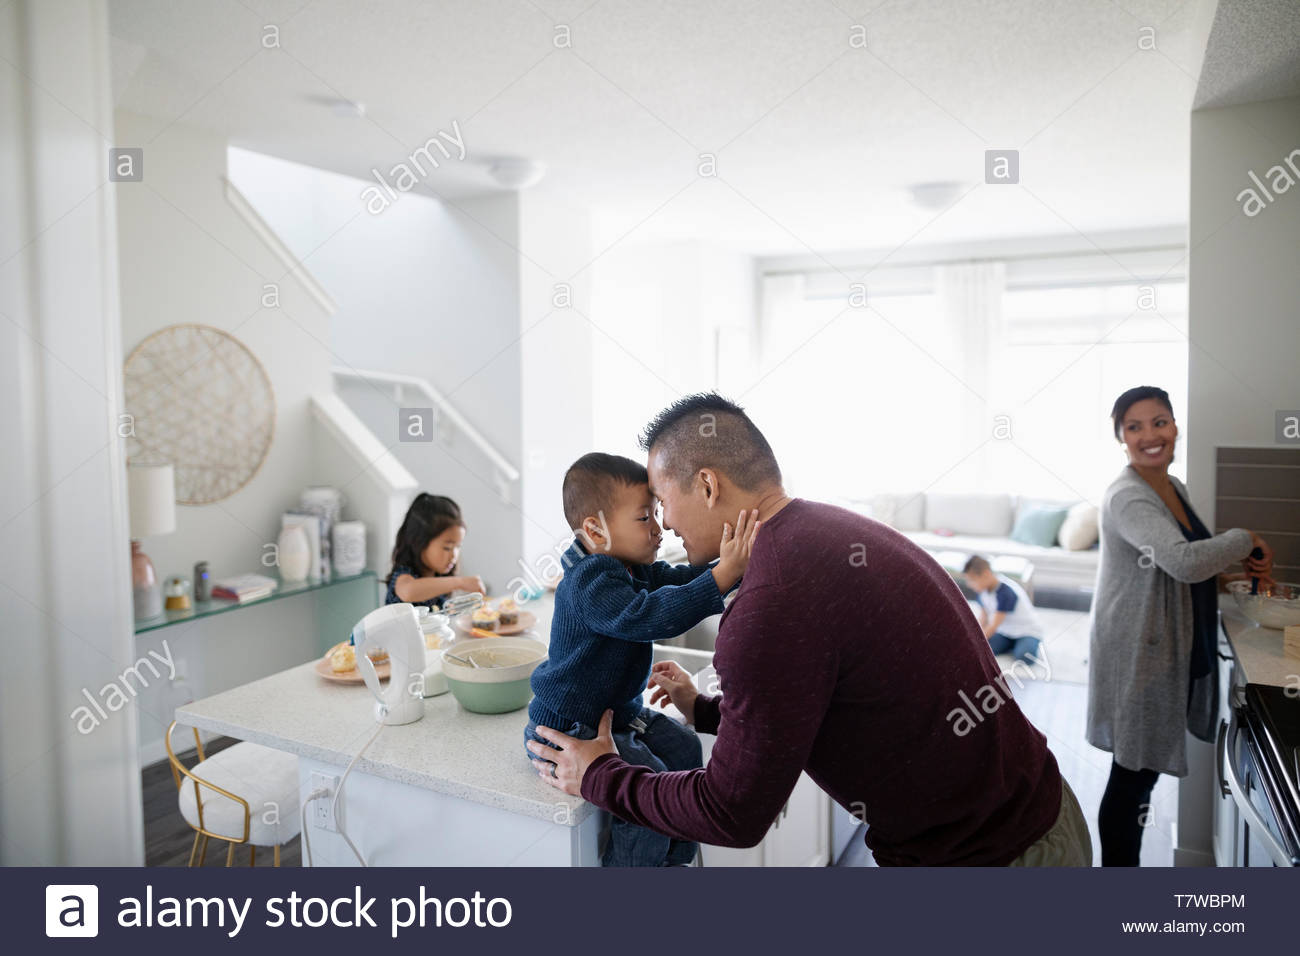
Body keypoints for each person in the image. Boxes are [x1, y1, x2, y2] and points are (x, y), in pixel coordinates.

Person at [528, 393, 1091, 866]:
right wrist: (702, 711)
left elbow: (731, 812)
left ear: (705, 485)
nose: (665, 521)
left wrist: (600, 773)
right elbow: (800, 709)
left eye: (662, 500)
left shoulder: (773, 603)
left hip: (996, 859)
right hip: (1034, 817)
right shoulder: (829, 528)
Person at [524, 452, 759, 866]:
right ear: (596, 529)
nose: (659, 529)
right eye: (644, 518)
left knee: (686, 747)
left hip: (620, 714)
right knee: (646, 796)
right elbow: (646, 616)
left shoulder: (630, 566)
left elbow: (678, 579)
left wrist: (735, 567)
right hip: (572, 727)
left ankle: (674, 861)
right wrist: (722, 578)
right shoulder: (590, 581)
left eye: (655, 513)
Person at [1086, 385, 1273, 866]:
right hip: (1138, 647)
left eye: (1159, 422)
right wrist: (1245, 538)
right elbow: (1183, 562)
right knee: (1132, 773)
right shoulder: (1129, 496)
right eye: (1134, 426)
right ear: (1121, 439)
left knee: (1139, 772)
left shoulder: (1171, 486)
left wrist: (1233, 573)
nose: (1150, 434)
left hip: (1162, 640)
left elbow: (1182, 565)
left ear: (1174, 426)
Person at [385, 493, 485, 610]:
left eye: (458, 547)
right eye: (447, 548)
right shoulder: (404, 574)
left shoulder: (439, 573)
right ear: (419, 542)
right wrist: (460, 582)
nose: (454, 555)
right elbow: (409, 591)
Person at [963, 555, 1043, 665]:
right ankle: (1011, 645)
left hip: (1026, 631)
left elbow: (993, 625)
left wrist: (977, 643)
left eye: (972, 580)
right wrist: (973, 637)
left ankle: (1025, 644)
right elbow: (983, 618)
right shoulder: (982, 591)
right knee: (984, 650)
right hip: (1005, 631)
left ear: (986, 574)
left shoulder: (1005, 592)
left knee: (1024, 657)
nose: (969, 585)